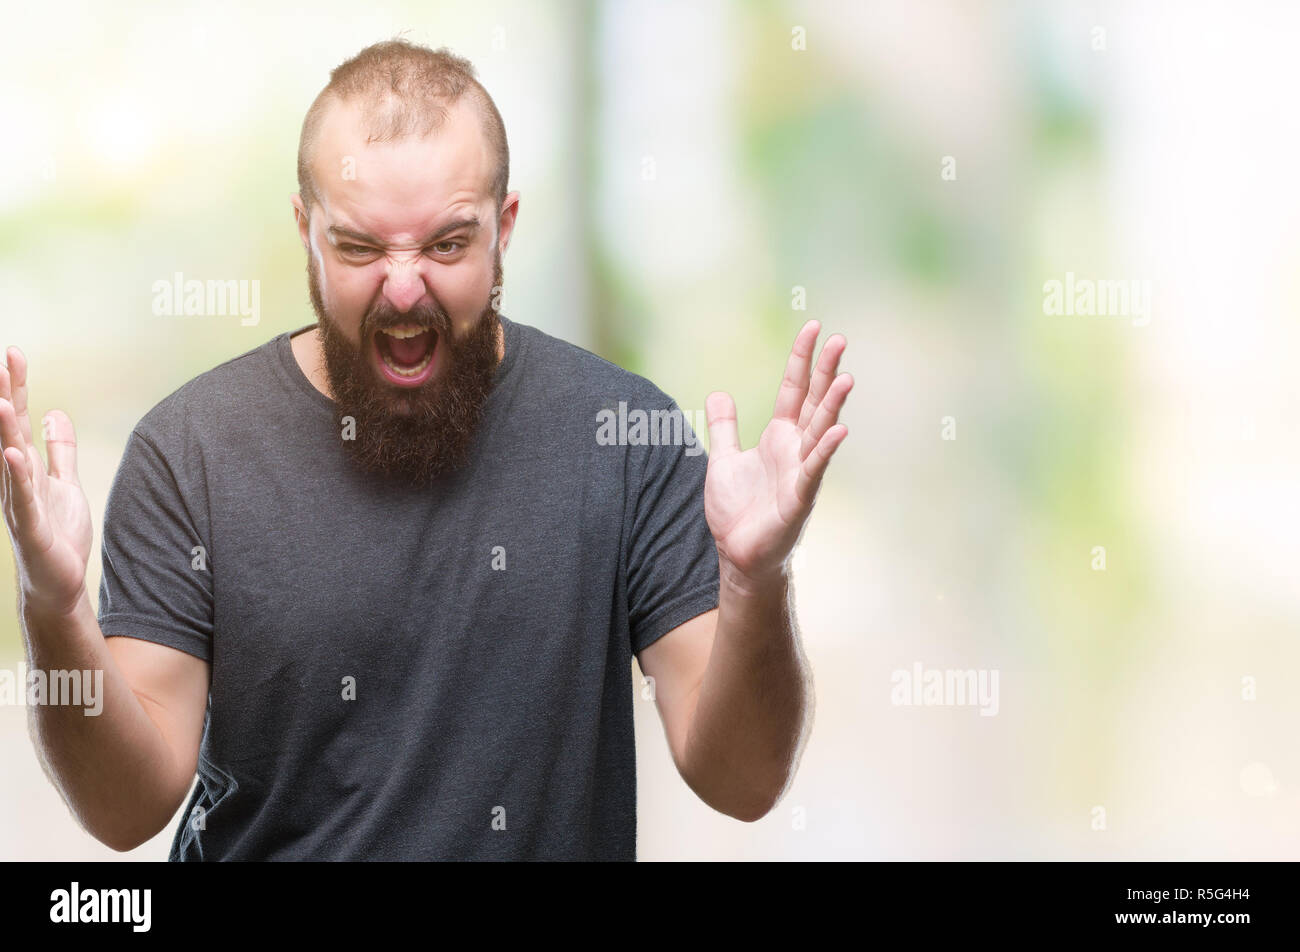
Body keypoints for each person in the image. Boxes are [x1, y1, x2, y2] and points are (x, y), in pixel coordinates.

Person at [0, 39, 853, 860]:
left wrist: (755, 579)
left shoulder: (629, 437)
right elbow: (124, 810)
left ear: (504, 228)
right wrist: (51, 603)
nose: (404, 287)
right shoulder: (189, 453)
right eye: (360, 246)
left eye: (446, 243)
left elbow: (742, 781)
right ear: (306, 230)